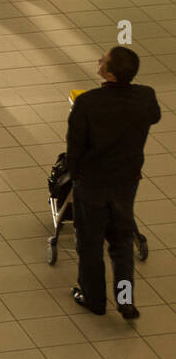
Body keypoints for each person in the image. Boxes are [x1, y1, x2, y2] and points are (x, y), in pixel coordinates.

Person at [66, 47, 160, 320]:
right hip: (126, 181)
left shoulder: (88, 103)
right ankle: (125, 300)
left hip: (92, 183)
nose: (99, 61)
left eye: (103, 60)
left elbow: (75, 147)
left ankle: (94, 299)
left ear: (109, 73)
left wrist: (75, 177)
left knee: (90, 243)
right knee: (121, 241)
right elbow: (154, 116)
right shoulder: (145, 96)